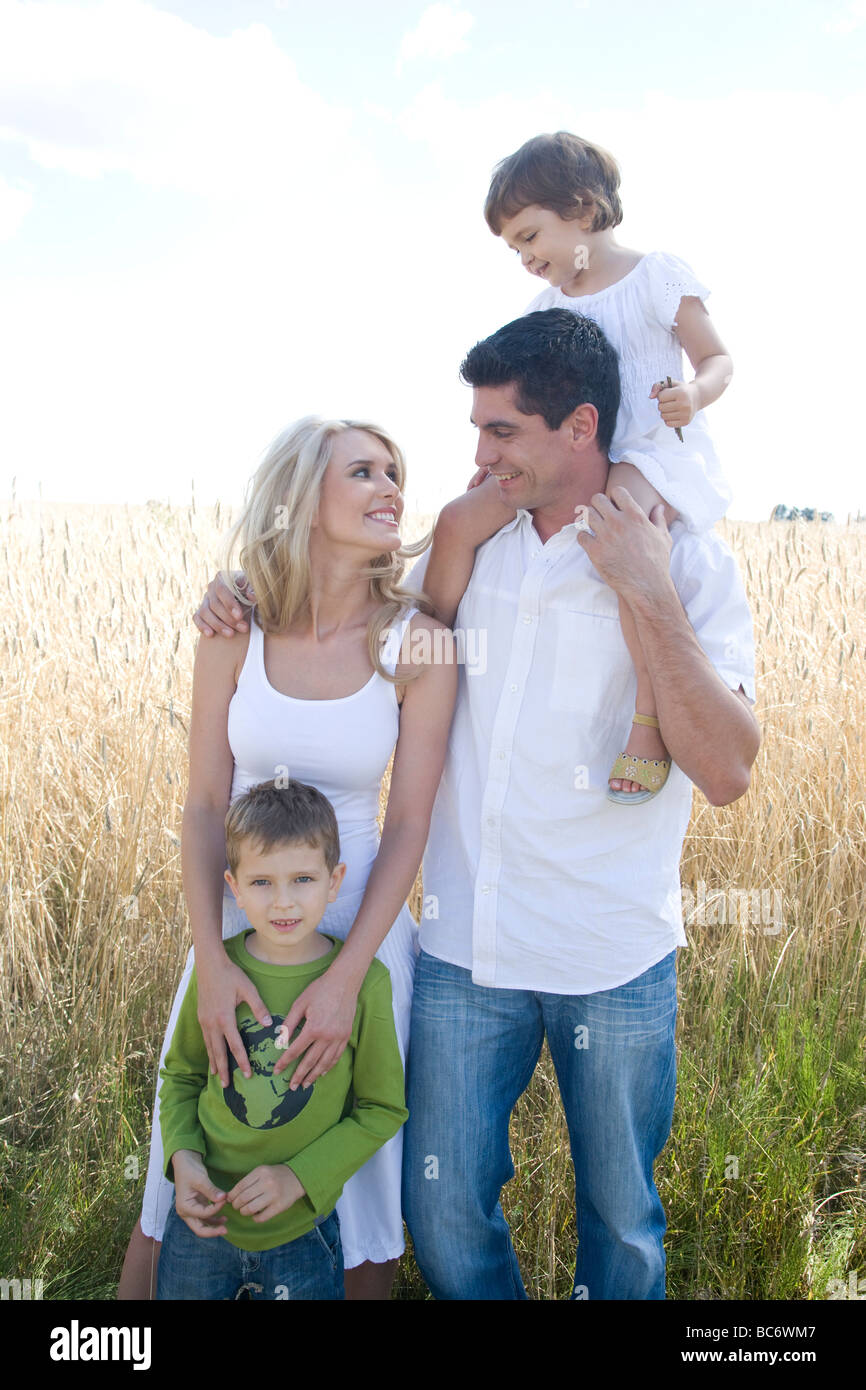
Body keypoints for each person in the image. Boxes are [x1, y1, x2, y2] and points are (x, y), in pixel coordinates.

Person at [400, 308, 760, 1298]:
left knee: (622, 1224)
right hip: (464, 948)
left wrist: (645, 588)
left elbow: (727, 770)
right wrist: (239, 596)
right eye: (476, 429)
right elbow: (343, 624)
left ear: (579, 427)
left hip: (610, 954)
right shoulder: (471, 544)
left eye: (500, 431)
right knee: (439, 1209)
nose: (478, 454)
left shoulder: (686, 558)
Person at [118, 416, 456, 1300]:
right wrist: (210, 964)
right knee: (181, 1155)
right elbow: (201, 806)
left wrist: (347, 978)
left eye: (396, 472)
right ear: (305, 495)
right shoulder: (234, 625)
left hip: (360, 933)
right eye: (364, 471)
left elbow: (412, 823)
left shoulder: (416, 642)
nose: (391, 487)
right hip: (234, 928)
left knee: (363, 1176)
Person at [482, 130, 735, 801]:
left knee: (616, 543)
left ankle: (647, 721)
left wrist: (691, 396)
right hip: (588, 459)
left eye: (531, 236)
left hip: (653, 452)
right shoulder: (548, 310)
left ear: (585, 209)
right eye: (514, 248)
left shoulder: (655, 276)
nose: (525, 258)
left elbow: (718, 359)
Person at [157, 779, 408, 1300]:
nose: (284, 901)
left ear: (334, 880)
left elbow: (382, 1108)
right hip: (202, 1223)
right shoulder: (218, 972)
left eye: (302, 879)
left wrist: (300, 1177)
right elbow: (180, 1076)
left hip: (303, 1231)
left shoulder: (365, 985)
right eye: (263, 882)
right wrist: (183, 1157)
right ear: (234, 885)